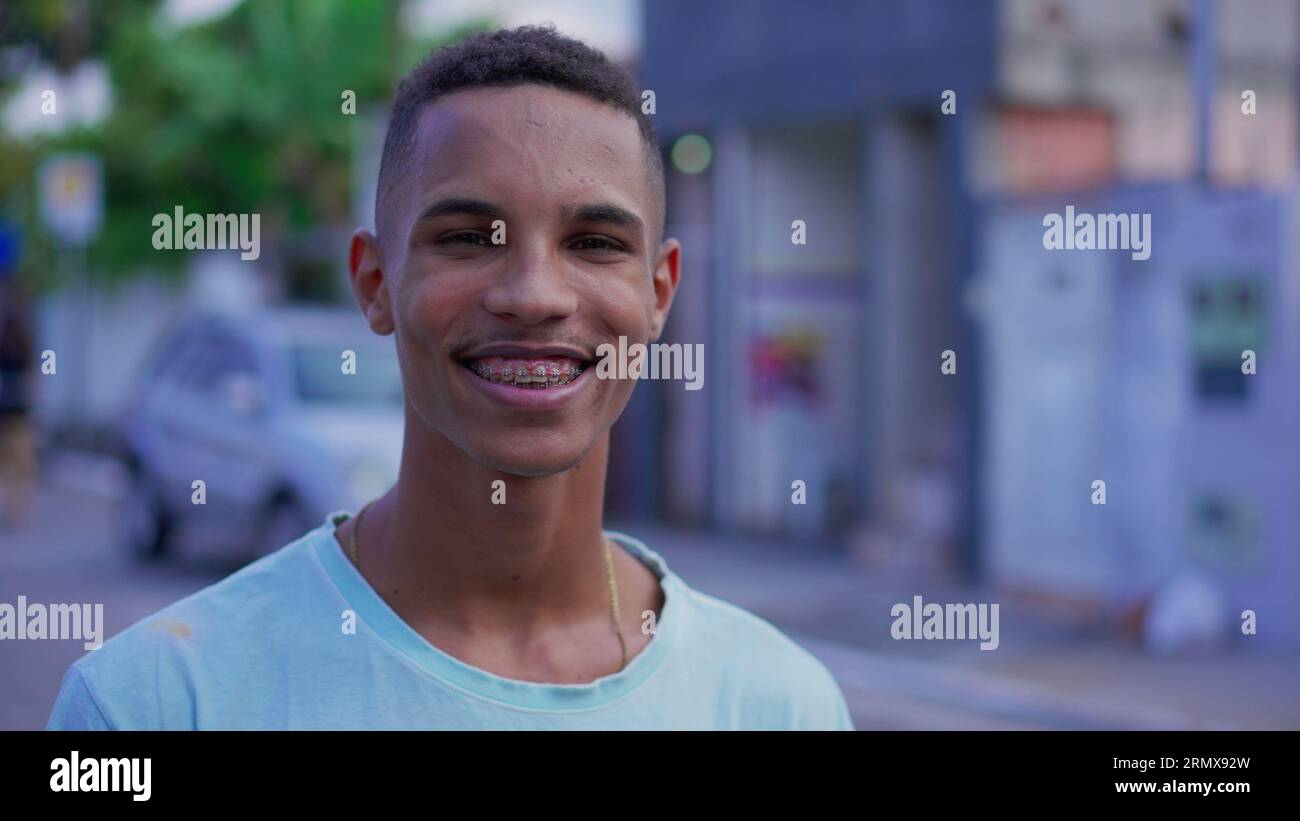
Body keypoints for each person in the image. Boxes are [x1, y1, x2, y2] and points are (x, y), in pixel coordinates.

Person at [47, 25, 854, 730]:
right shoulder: (153, 703)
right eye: (469, 238)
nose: (534, 295)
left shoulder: (780, 706)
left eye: (595, 242)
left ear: (658, 294)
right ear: (374, 283)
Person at [0, 283, 35, 528]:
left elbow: (40, 365)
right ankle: (13, 505)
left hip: (18, 409)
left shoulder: (23, 337)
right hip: (11, 408)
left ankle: (16, 506)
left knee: (21, 461)